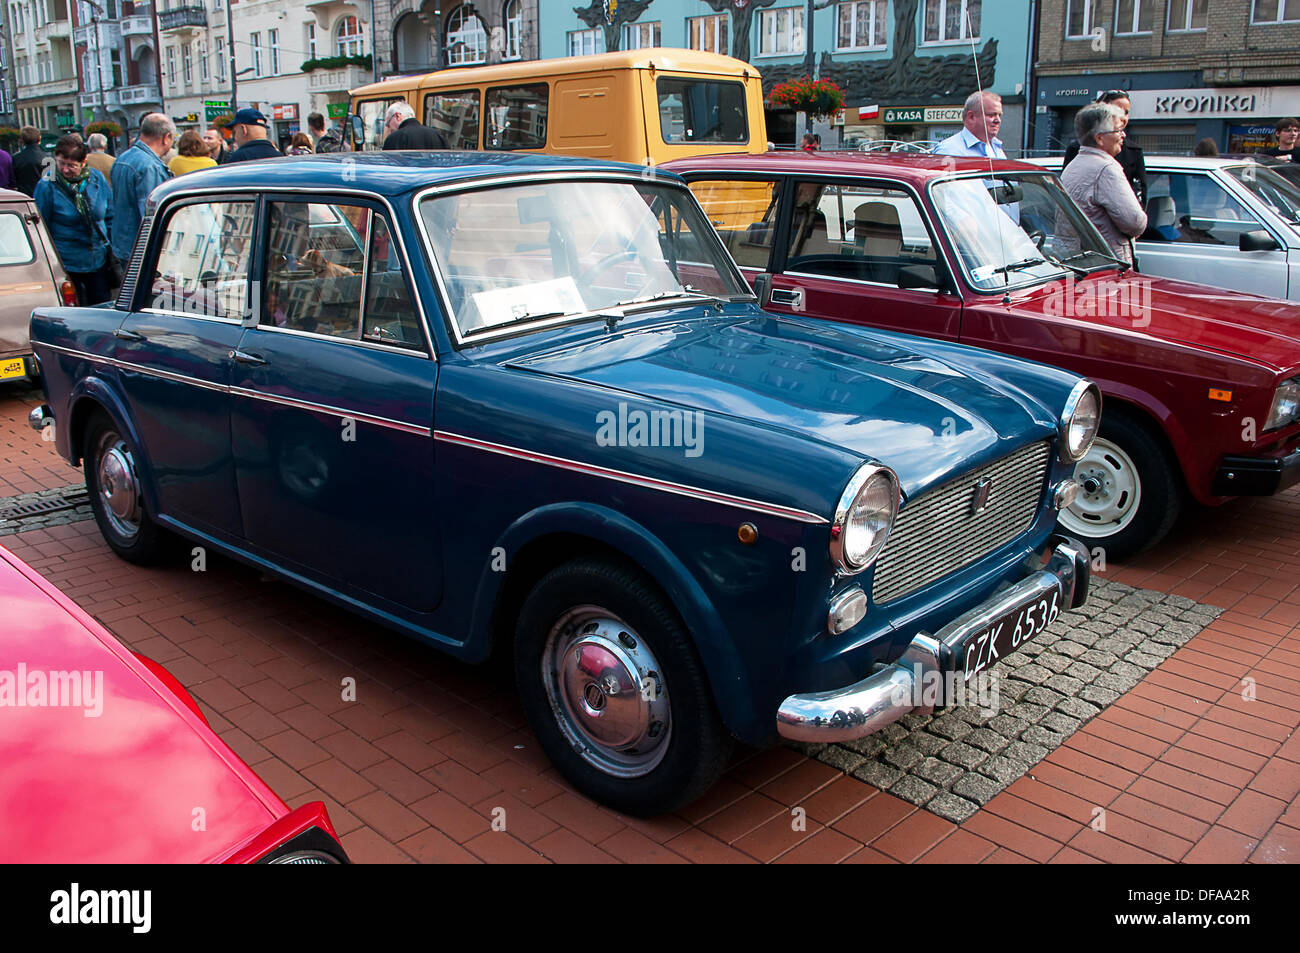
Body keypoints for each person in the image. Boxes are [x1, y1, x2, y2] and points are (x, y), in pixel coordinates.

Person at [1060, 102, 1147, 265]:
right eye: (1118, 131)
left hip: (1078, 261)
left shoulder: (1073, 165)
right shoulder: (1106, 168)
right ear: (1099, 138)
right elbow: (1134, 221)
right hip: (1105, 264)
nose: (1123, 136)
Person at [34, 135, 114, 304]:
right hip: (66, 262)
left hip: (97, 259)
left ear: (84, 162)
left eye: (71, 165)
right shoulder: (47, 185)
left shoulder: (96, 179)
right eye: (61, 163)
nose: (64, 170)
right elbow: (41, 227)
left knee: (102, 306)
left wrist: (111, 244)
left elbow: (110, 215)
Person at [110, 113, 174, 266]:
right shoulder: (150, 167)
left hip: (124, 244)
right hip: (141, 251)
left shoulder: (123, 158)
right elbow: (152, 216)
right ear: (166, 138)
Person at [1063, 90, 1147, 207]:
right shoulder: (1078, 148)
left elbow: (1140, 199)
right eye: (1117, 110)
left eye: (1126, 112)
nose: (1123, 117)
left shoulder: (1134, 152)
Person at [935, 91, 1007, 159]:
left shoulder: (996, 147)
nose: (998, 120)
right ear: (971, 117)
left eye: (999, 115)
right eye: (991, 115)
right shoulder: (948, 150)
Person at [381, 101, 446, 150]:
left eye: (388, 123)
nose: (389, 128)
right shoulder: (437, 135)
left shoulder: (394, 139)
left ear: (398, 116)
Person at [13, 127, 49, 196]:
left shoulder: (16, 159)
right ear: (39, 138)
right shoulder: (48, 158)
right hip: (44, 196)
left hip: (25, 197)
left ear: (22, 141)